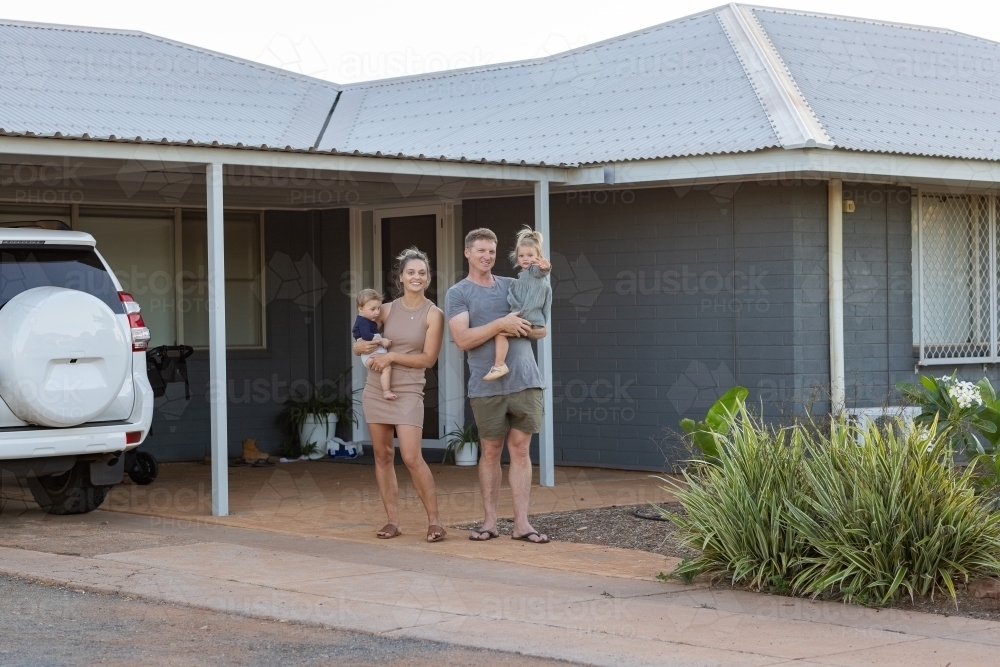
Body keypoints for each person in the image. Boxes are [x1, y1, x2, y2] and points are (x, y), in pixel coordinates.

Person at [445, 228, 551, 544]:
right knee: (490, 450)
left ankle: (522, 524)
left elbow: (541, 329)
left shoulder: (513, 284)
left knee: (520, 450)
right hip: (486, 385)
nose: (487, 256)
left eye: (491, 251)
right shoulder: (458, 293)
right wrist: (501, 325)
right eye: (480, 250)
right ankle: (489, 522)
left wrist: (528, 329)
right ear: (467, 253)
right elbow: (462, 339)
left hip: (525, 380)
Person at [353, 247, 446, 542]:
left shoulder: (434, 314)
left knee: (411, 456)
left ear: (428, 278)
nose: (416, 277)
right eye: (411, 272)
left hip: (409, 390)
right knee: (382, 455)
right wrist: (358, 347)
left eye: (422, 272)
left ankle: (435, 521)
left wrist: (392, 358)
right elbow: (363, 335)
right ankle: (393, 520)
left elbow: (428, 359)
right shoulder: (387, 309)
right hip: (376, 388)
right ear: (401, 277)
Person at [484, 227, 552, 381]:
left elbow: (544, 272)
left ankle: (499, 365)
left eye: (530, 255)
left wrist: (545, 266)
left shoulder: (535, 272)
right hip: (528, 318)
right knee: (502, 333)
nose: (525, 258)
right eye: (521, 255)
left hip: (530, 318)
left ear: (538, 257)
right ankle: (500, 364)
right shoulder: (522, 275)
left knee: (500, 333)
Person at [352, 289, 396, 400]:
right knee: (386, 368)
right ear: (361, 309)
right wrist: (382, 341)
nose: (377, 312)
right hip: (370, 354)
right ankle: (386, 391)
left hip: (372, 353)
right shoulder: (363, 321)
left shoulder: (366, 320)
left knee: (386, 368)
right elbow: (366, 336)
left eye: (378, 308)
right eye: (373, 309)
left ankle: (386, 391)